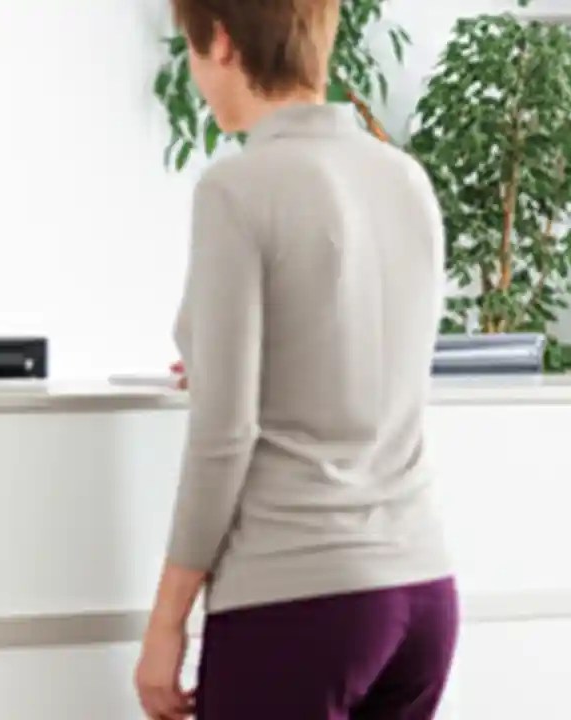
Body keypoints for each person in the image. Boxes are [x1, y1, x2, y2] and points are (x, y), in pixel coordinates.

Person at [134, 1, 457, 718]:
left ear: (219, 40)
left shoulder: (239, 188)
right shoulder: (404, 178)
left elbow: (224, 435)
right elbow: (368, 358)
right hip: (423, 590)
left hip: (299, 597)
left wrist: (166, 623)